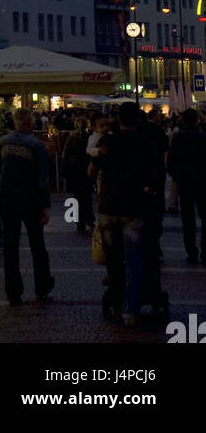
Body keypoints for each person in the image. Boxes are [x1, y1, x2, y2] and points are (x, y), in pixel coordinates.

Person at [90, 101, 158, 327]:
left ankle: (116, 304)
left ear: (118, 119)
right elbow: (154, 176)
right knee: (134, 261)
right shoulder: (145, 143)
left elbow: (91, 170)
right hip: (134, 207)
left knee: (113, 260)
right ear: (137, 120)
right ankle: (130, 311)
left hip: (108, 207)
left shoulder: (107, 141)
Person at [0, 107, 54, 306]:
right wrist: (45, 205)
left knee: (10, 247)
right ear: (30, 123)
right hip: (31, 200)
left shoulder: (3, 143)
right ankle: (42, 286)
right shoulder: (36, 145)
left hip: (7, 199)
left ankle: (13, 291)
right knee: (37, 245)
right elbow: (43, 177)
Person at [168, 108, 206, 264]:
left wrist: (177, 178)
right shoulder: (204, 138)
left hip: (184, 184)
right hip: (203, 183)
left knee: (187, 220)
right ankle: (205, 252)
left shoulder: (178, 138)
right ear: (197, 120)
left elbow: (170, 162)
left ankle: (191, 251)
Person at [62, 116, 94, 233]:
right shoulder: (88, 137)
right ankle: (88, 219)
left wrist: (64, 170)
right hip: (84, 169)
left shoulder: (72, 138)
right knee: (86, 196)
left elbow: (66, 154)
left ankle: (80, 221)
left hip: (76, 170)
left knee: (78, 197)